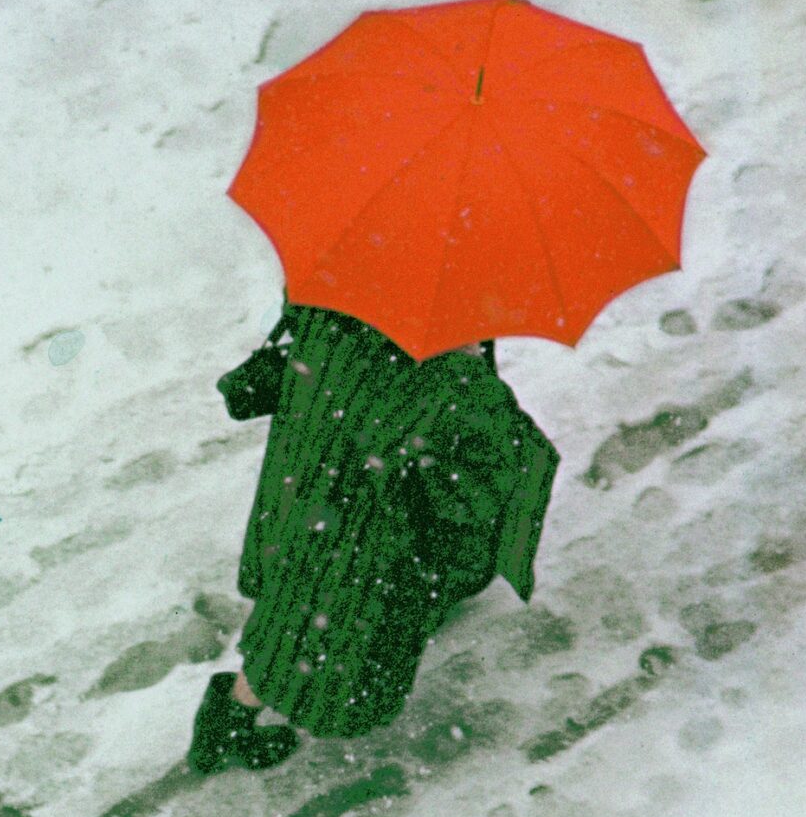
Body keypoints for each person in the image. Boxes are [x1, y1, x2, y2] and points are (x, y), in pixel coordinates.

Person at [189, 301, 560, 773]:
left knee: (300, 603)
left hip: (317, 479)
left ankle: (233, 711)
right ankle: (228, 720)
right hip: (364, 524)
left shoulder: (343, 304)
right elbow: (479, 471)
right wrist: (466, 369)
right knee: (321, 627)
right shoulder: (442, 377)